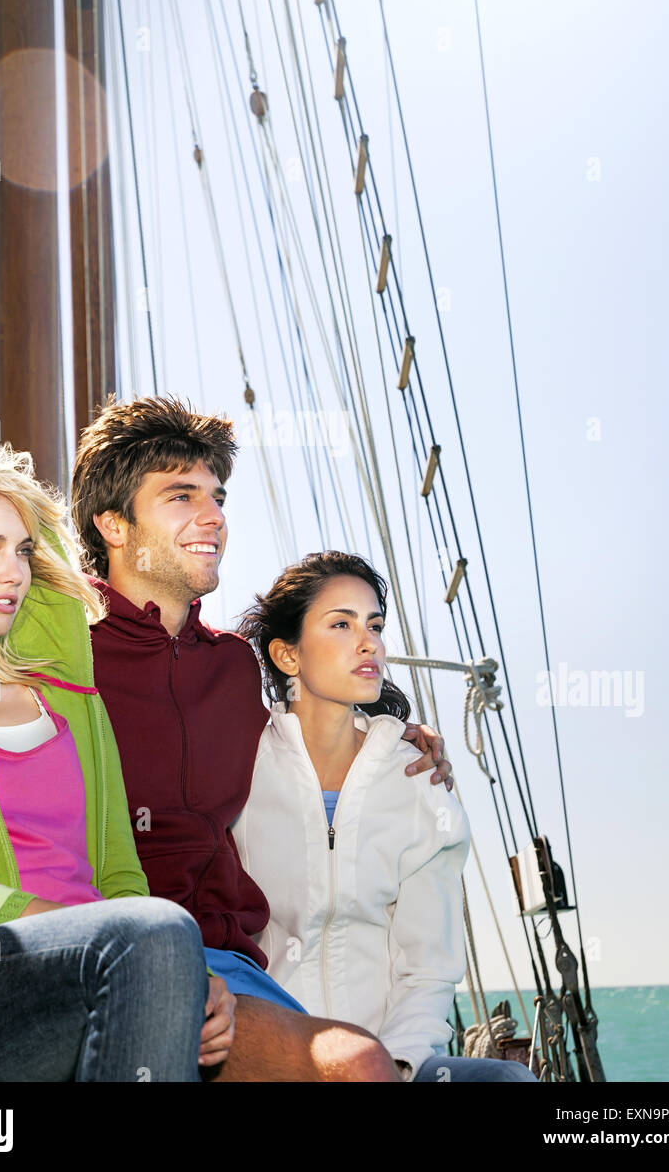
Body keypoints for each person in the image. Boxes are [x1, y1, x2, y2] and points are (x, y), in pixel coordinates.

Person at [69, 395, 453, 1081]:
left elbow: (311, 717)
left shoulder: (231, 667)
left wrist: (399, 733)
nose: (214, 515)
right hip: (112, 955)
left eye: (216, 496)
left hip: (236, 969)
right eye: (180, 495)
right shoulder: (61, 653)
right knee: (358, 1067)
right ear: (113, 524)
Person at [0, 448, 222, 1081]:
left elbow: (117, 874)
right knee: (155, 937)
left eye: (25, 551)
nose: (14, 573)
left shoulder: (74, 703)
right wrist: (115, 936)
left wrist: (177, 963)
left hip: (100, 960)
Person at [233, 550, 537, 1083]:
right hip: (269, 1055)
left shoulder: (416, 779)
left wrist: (392, 1064)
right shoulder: (237, 769)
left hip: (393, 1060)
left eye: (374, 624)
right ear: (287, 655)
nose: (369, 641)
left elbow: (429, 966)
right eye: (341, 624)